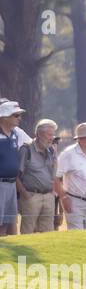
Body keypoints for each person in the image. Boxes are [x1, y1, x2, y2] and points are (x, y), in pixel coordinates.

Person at [17, 119, 59, 234]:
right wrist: (24, 193)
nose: (52, 138)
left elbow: (53, 174)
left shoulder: (51, 150)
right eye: (49, 134)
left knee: (48, 234)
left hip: (48, 197)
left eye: (53, 134)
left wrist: (52, 192)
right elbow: (16, 175)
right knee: (28, 233)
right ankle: (24, 253)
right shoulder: (26, 149)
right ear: (39, 134)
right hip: (31, 196)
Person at [0, 100, 30, 236]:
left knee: (11, 223)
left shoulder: (16, 134)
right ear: (5, 117)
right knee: (1, 225)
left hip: (12, 185)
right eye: (16, 115)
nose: (19, 118)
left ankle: (18, 257)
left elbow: (32, 144)